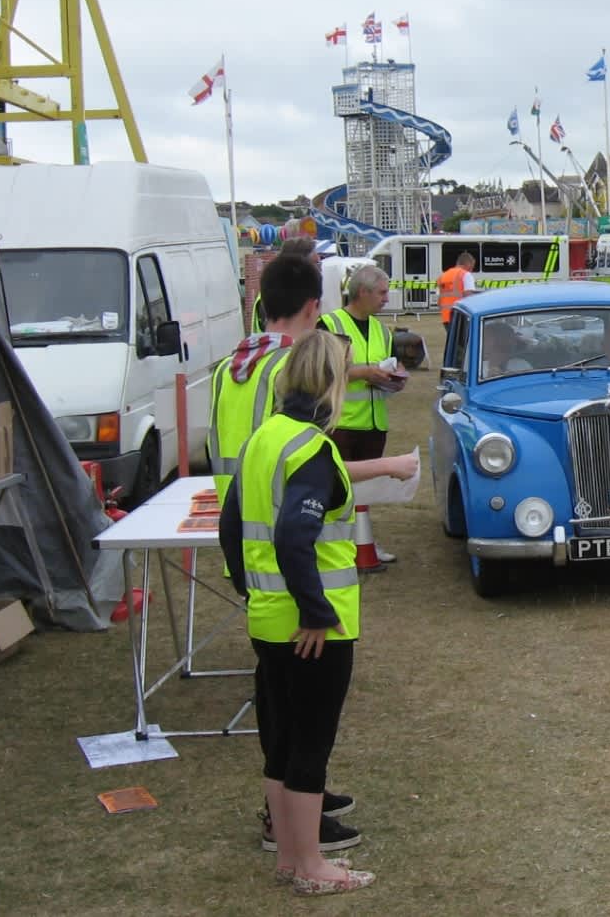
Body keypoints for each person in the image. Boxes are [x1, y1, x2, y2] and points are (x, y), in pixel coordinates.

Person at [218, 333, 416, 896]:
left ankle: (288, 856)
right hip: (312, 627)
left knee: (281, 741)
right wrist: (314, 612)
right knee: (311, 743)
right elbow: (294, 536)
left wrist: (249, 588)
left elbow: (232, 527)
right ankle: (311, 866)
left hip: (267, 617)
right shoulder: (312, 449)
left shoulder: (265, 438)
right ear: (332, 382)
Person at [319, 264, 405, 566]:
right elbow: (322, 372)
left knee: (366, 489)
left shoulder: (382, 329)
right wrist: (365, 373)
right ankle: (336, 547)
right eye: (382, 292)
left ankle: (364, 541)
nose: (387, 298)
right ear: (363, 292)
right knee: (338, 489)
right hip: (340, 423)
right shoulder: (329, 324)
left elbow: (391, 363)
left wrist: (396, 377)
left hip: (374, 421)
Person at [252, 237, 321, 333]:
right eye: (316, 264)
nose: (319, 270)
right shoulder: (279, 296)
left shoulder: (277, 290)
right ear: (298, 265)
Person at [437, 252, 476, 326]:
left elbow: (439, 302)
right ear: (468, 264)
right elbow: (469, 297)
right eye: (472, 266)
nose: (472, 269)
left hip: (446, 318)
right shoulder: (465, 274)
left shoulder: (442, 276)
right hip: (461, 317)